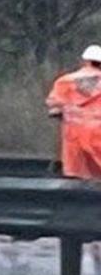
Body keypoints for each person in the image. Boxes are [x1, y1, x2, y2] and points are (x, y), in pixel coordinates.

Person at [46, 45, 101, 178]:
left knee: (76, 174)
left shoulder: (65, 81)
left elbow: (54, 107)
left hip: (73, 132)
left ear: (85, 61)